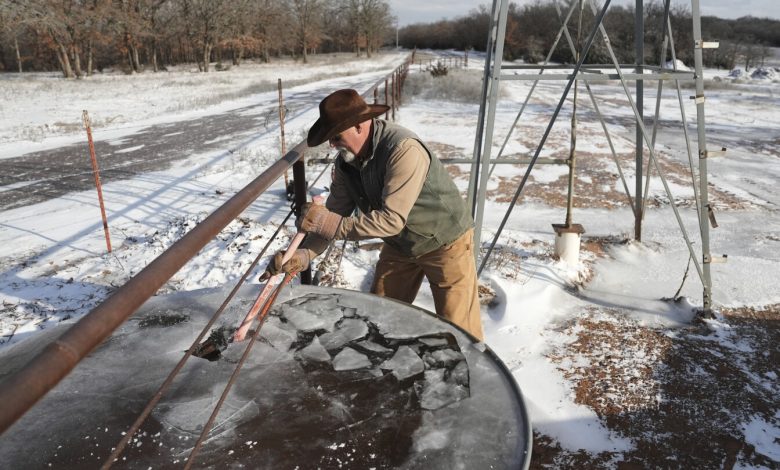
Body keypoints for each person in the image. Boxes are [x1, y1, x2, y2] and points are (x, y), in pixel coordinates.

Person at [265, 89, 484, 340]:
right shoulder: (346, 165)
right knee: (380, 315)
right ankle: (390, 369)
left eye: (336, 137)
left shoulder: (403, 150)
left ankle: (469, 374)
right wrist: (304, 254)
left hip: (444, 242)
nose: (332, 145)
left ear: (359, 127)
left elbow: (390, 220)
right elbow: (333, 216)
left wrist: (327, 222)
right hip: (401, 244)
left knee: (459, 328)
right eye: (329, 139)